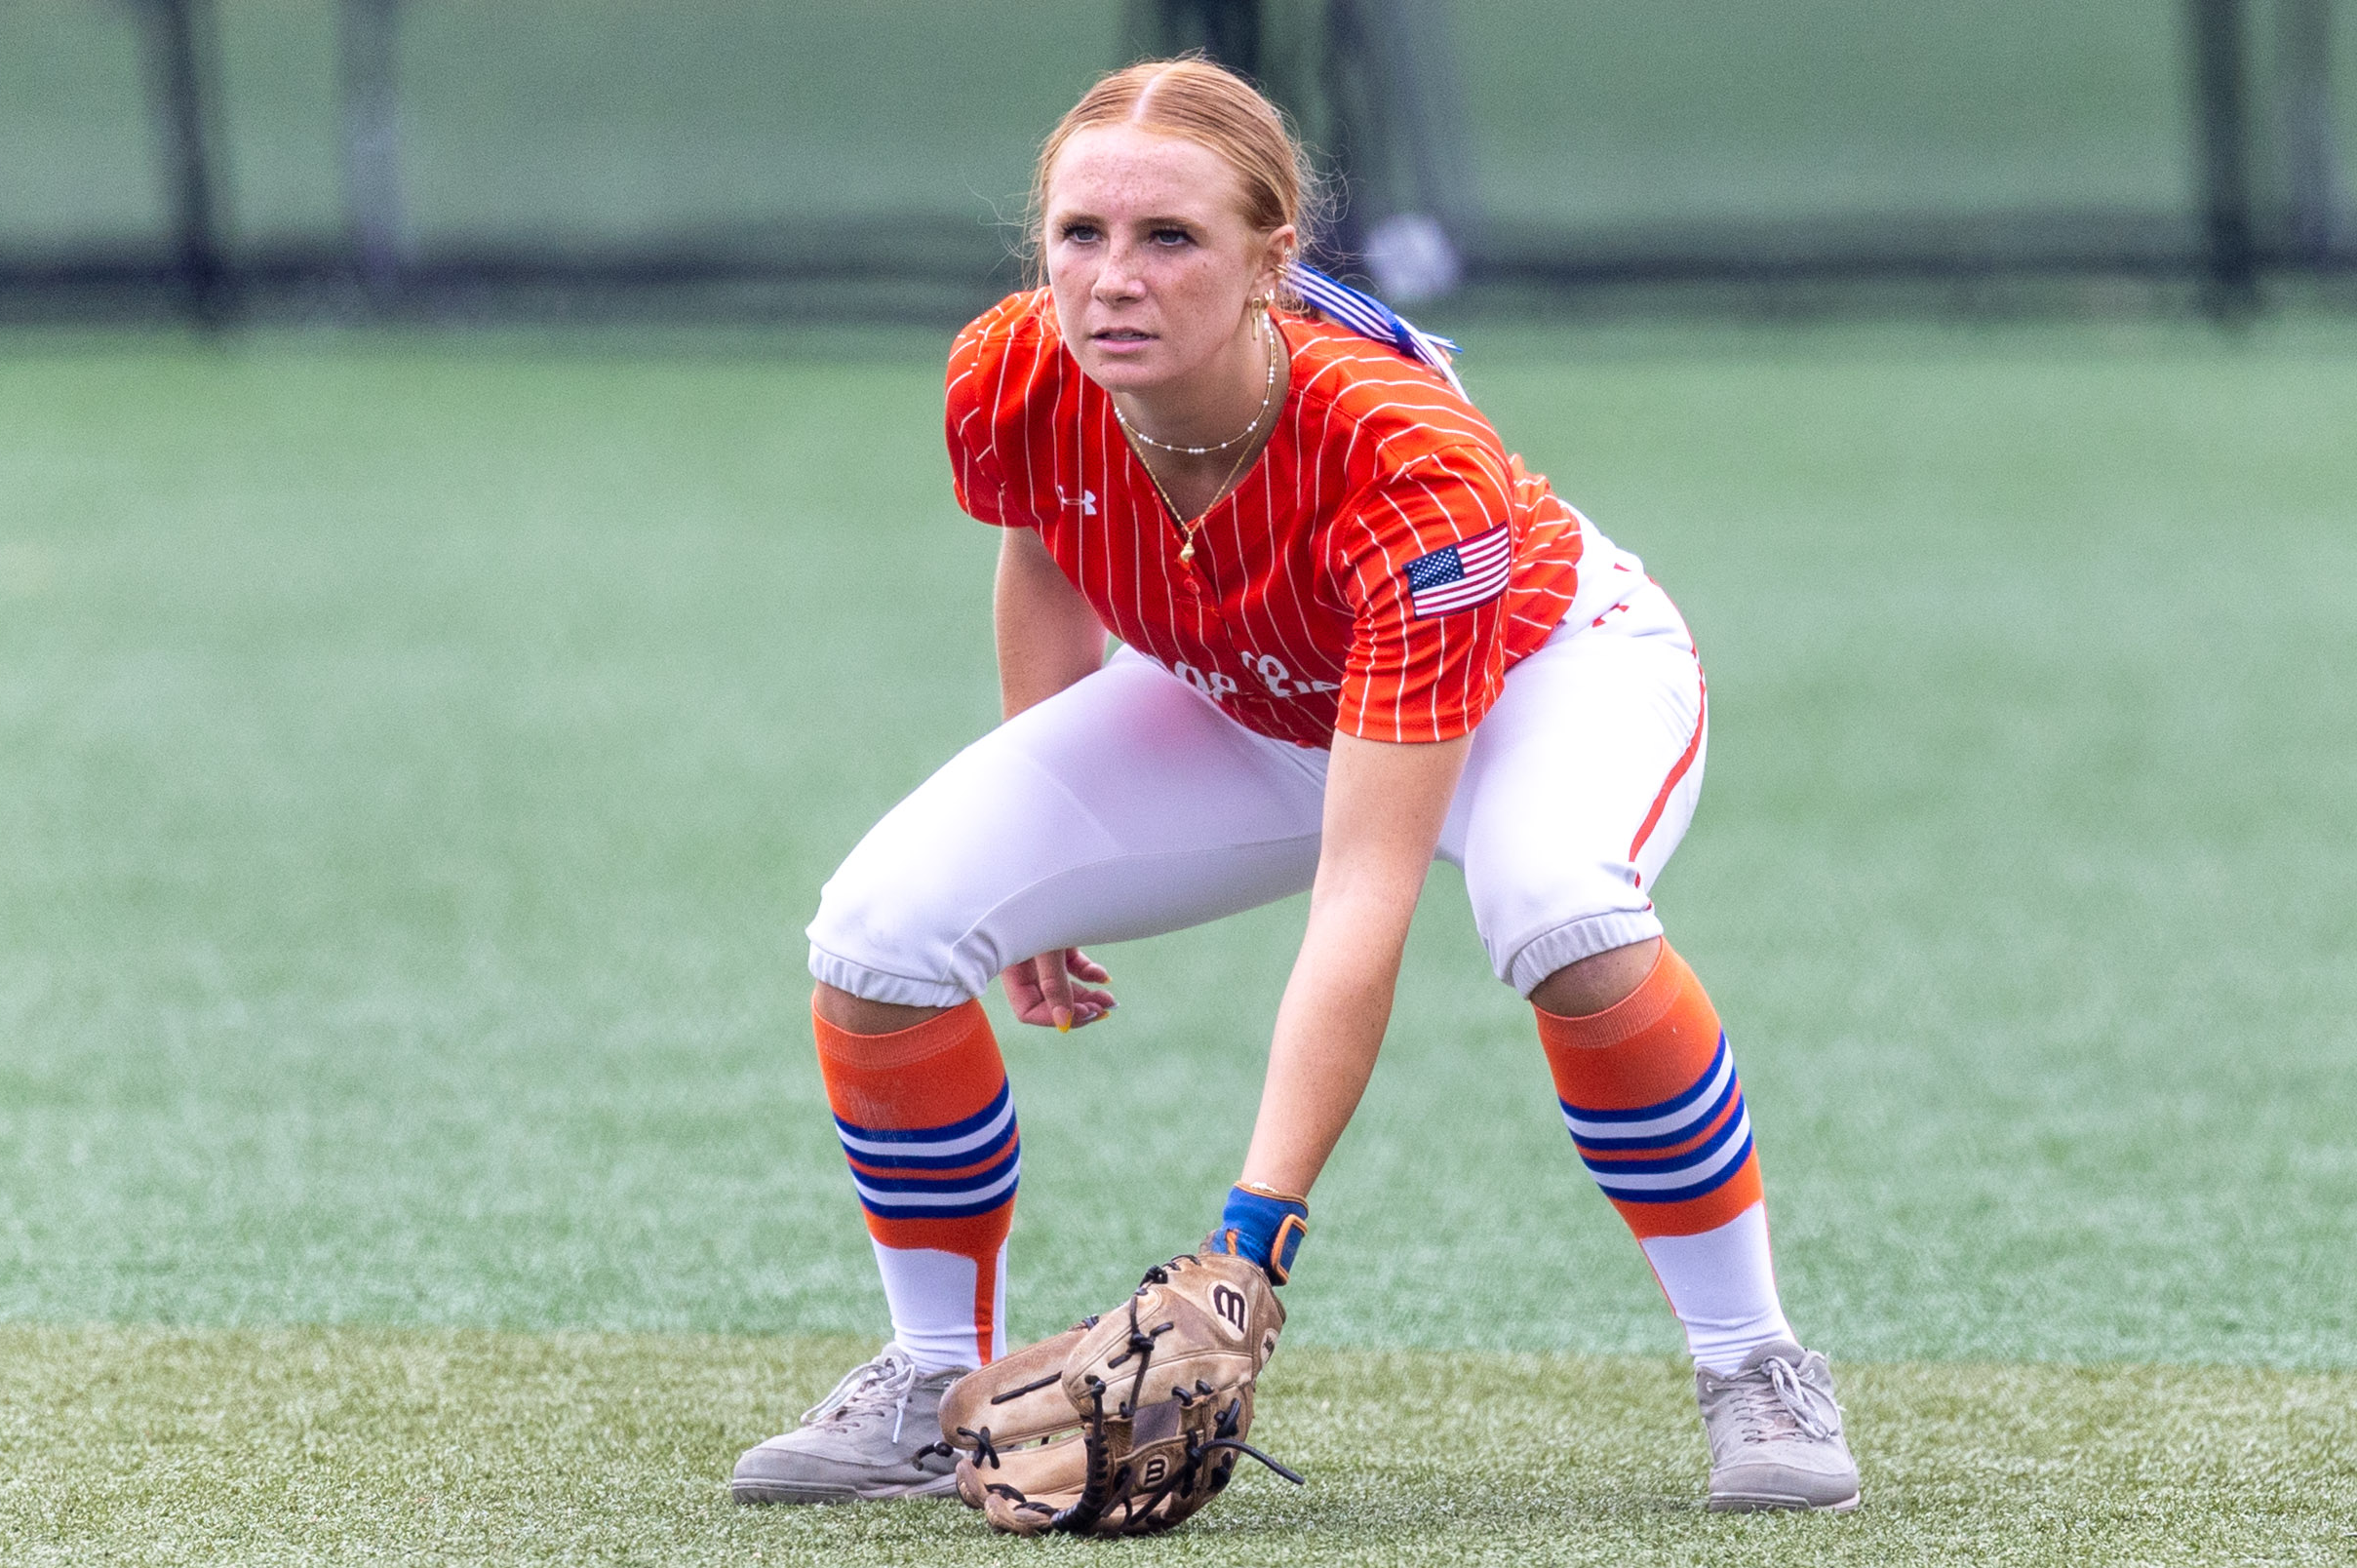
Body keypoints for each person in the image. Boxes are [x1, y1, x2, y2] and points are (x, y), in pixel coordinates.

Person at [728, 58, 1860, 1514]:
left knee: (1558, 910)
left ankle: (1753, 1360)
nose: (1114, 280)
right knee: (879, 934)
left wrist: (1250, 1245)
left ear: (1273, 260)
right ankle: (926, 1375)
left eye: (1170, 238)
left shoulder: (1404, 458)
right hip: (1250, 690)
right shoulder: (1012, 369)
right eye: (1080, 235)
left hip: (1535, 682)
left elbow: (1364, 887)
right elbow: (1047, 550)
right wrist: (1040, 876)